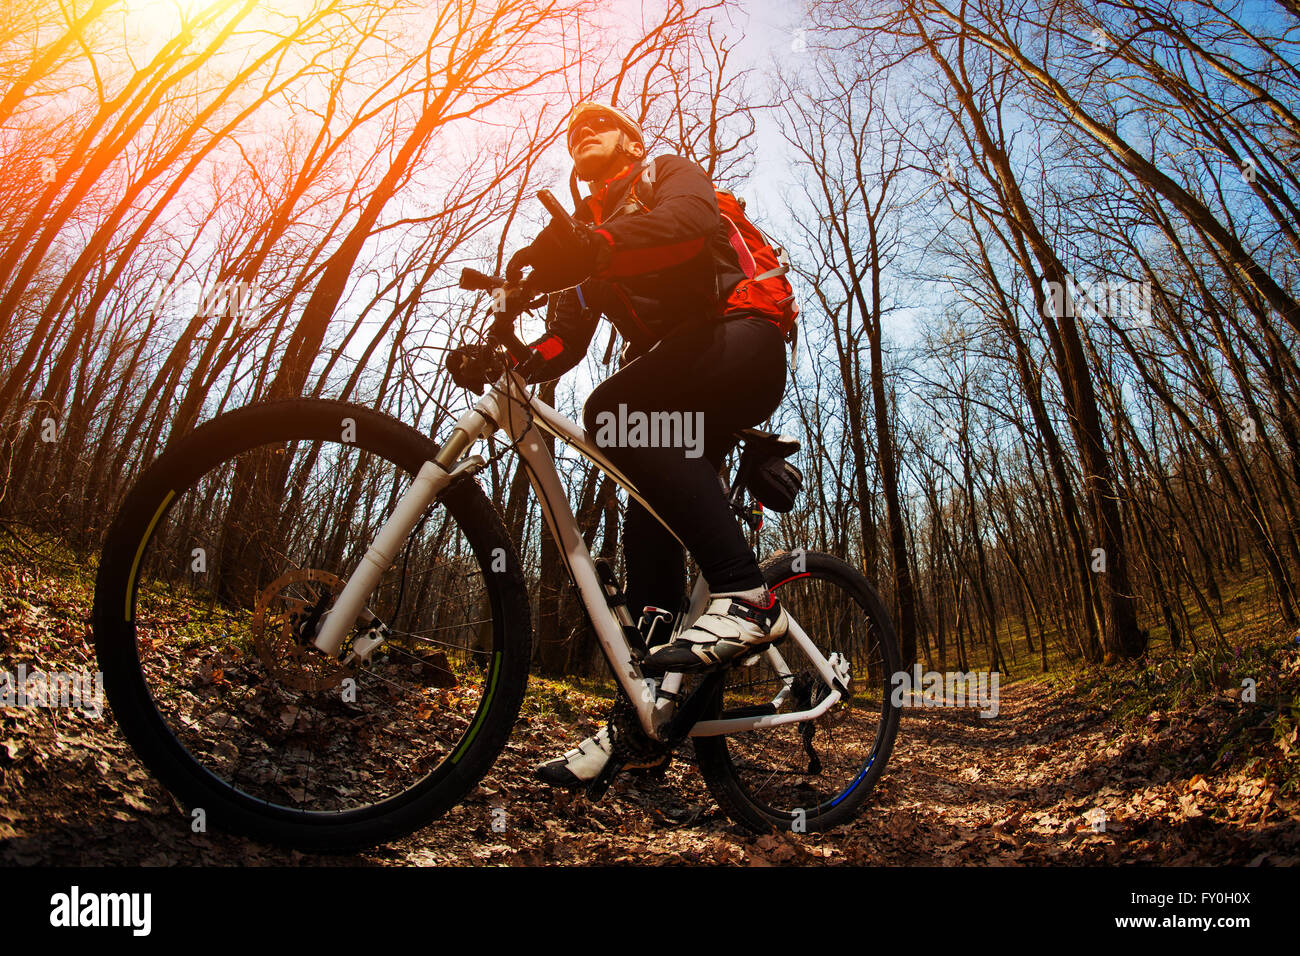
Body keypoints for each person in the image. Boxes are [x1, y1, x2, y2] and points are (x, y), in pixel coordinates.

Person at [447, 102, 789, 785]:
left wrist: (598, 245)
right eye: (571, 131)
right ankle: (642, 721)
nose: (581, 131)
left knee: (612, 408)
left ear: (632, 140)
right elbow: (564, 340)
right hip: (687, 378)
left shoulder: (668, 173)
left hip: (747, 335)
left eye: (597, 125)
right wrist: (513, 360)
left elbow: (691, 229)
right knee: (646, 530)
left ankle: (748, 596)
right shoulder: (586, 240)